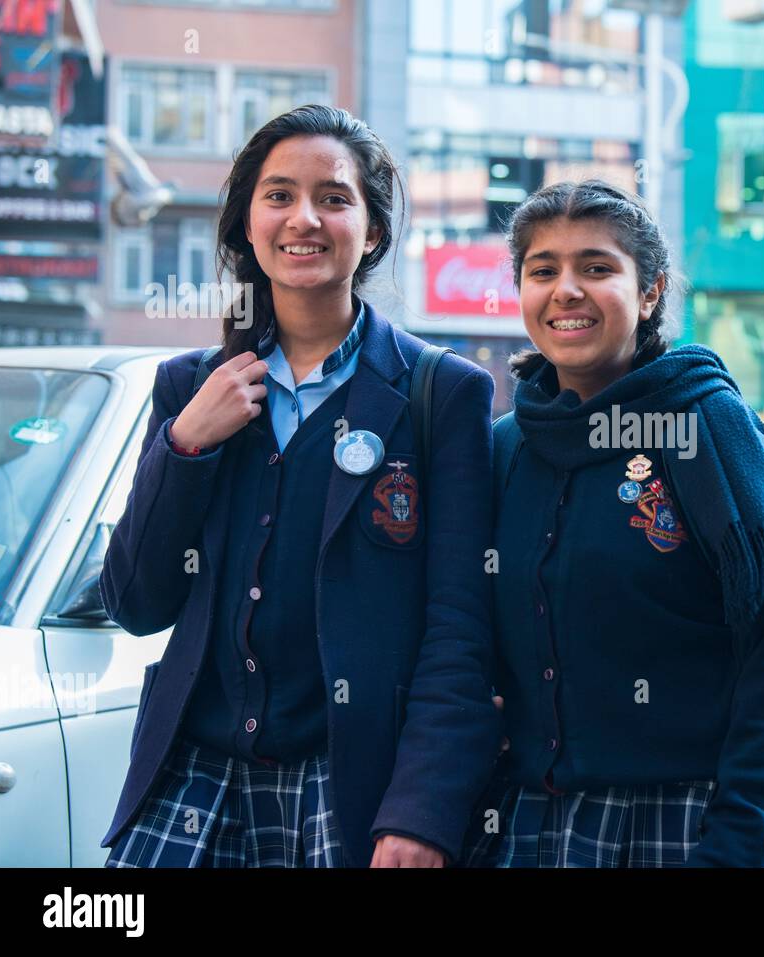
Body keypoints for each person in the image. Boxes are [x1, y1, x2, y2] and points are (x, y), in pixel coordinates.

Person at [100, 105, 500, 868]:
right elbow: (136, 603)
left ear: (373, 230)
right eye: (279, 195)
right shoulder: (192, 387)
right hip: (194, 780)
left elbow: (460, 627)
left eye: (335, 197)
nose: (304, 218)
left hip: (351, 788)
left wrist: (421, 809)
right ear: (248, 223)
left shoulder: (440, 393)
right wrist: (184, 444)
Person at [461, 180, 764, 867]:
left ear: (649, 292)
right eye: (542, 270)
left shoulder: (706, 427)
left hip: (704, 822)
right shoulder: (503, 448)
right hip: (540, 825)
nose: (567, 289)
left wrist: (741, 831)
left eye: (597, 268)